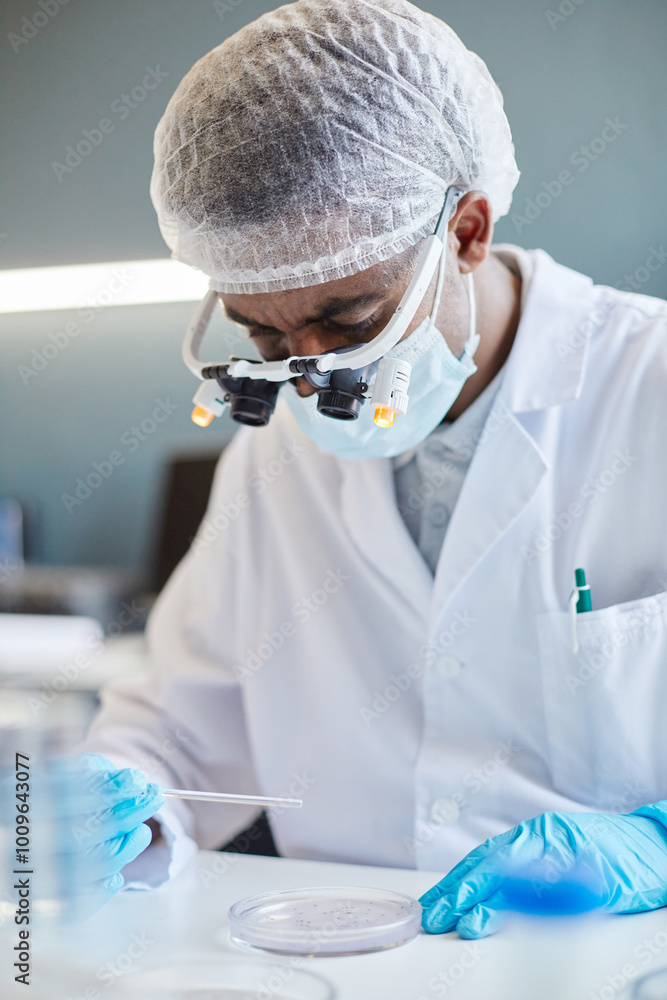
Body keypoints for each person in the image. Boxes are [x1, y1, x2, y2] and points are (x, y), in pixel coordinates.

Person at [71, 0, 667, 937]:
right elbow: (178, 728)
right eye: (265, 333)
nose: (314, 375)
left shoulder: (650, 389)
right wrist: (121, 807)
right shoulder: (272, 460)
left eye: (350, 323)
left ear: (466, 230)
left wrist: (658, 846)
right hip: (340, 963)